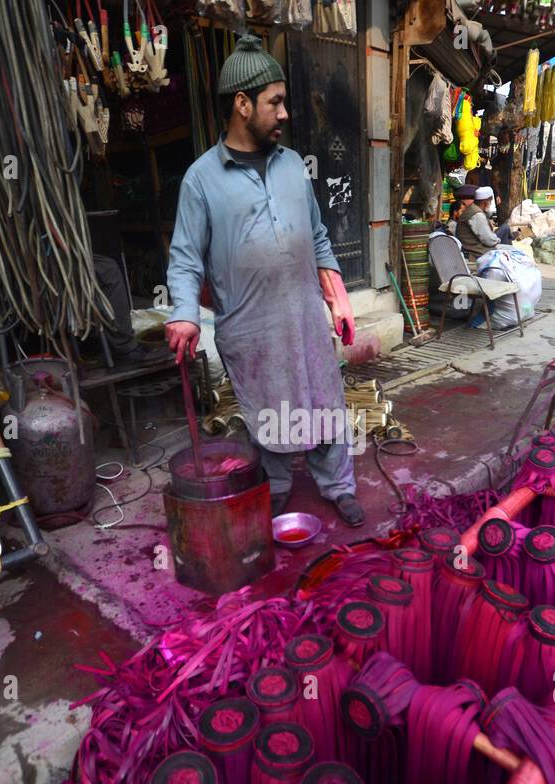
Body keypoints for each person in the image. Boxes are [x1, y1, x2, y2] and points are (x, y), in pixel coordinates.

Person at [163, 35, 364, 527]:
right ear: (241, 103)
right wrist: (185, 315)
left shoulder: (293, 165)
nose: (284, 114)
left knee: (323, 399)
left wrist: (337, 300)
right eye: (274, 103)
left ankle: (337, 484)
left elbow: (318, 236)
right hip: (250, 327)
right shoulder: (201, 179)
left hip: (303, 315)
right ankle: (273, 487)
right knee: (268, 409)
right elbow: (186, 257)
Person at [448, 184, 511, 260]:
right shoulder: (476, 214)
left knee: (510, 248)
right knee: (514, 252)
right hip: (476, 253)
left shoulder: (473, 210)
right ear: (486, 201)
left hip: (476, 249)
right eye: (490, 201)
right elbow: (488, 240)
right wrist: (499, 240)